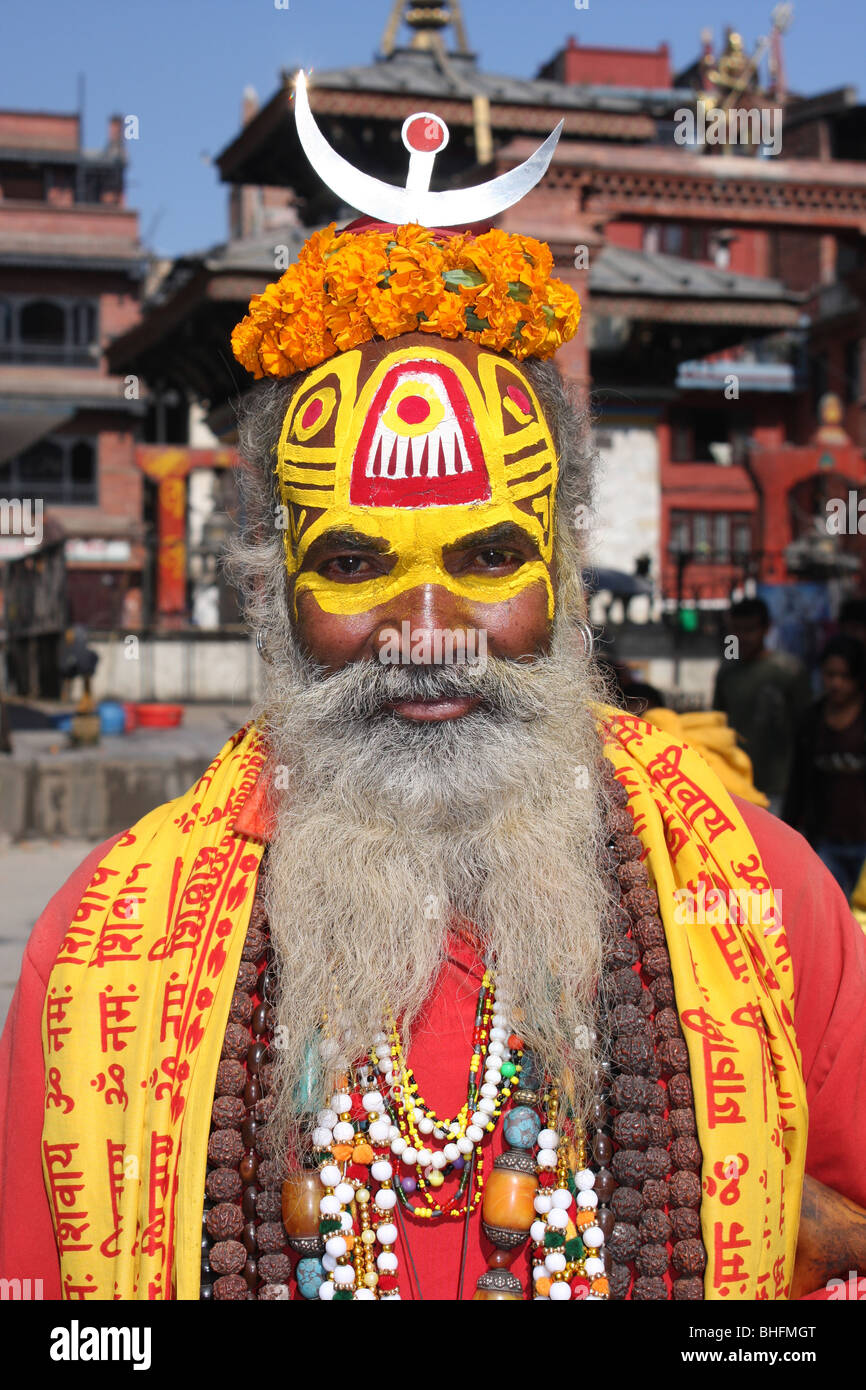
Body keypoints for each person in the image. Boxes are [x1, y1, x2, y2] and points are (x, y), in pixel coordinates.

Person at [2, 81, 866, 1305]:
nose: (425, 632)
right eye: (353, 564)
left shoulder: (764, 899)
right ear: (272, 581)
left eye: (484, 560)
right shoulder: (106, 945)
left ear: (562, 572)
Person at [783, 635, 866, 898]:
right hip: (825, 841)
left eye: (844, 676)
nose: (836, 683)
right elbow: (798, 781)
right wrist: (789, 829)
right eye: (830, 675)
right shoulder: (812, 720)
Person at [712, 598, 812, 815]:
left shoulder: (789, 671)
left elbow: (807, 729)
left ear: (766, 629)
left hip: (778, 785)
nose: (741, 637)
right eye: (736, 629)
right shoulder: (727, 672)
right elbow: (716, 726)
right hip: (734, 784)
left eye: (749, 629)